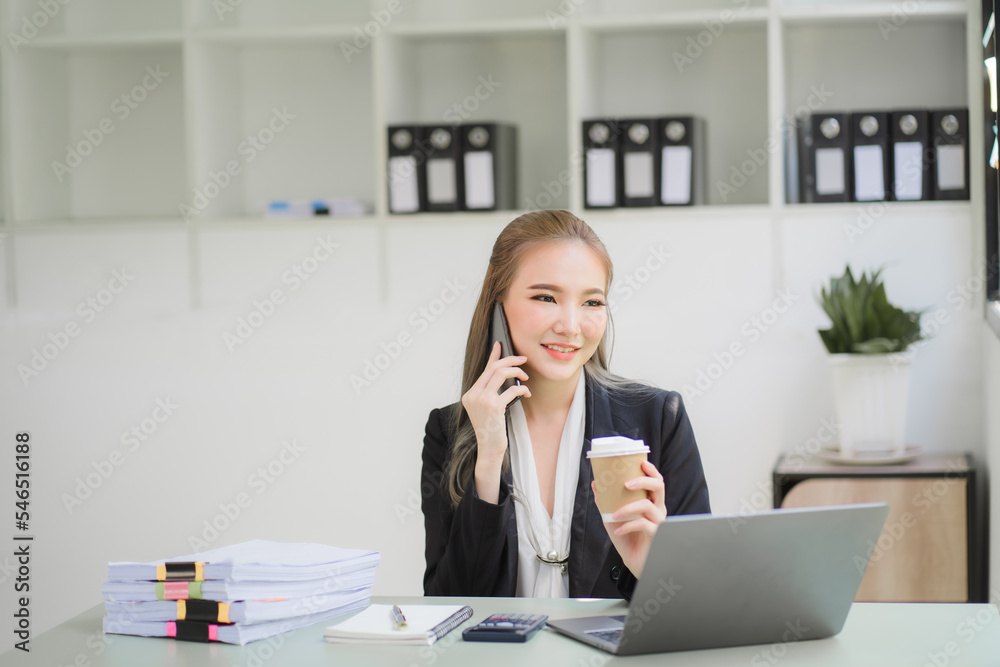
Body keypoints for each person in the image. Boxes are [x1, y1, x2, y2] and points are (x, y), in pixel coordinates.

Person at [421, 209, 710, 600]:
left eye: (592, 303)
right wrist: (488, 460)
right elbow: (450, 603)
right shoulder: (449, 430)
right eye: (546, 297)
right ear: (498, 304)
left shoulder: (658, 419)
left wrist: (647, 568)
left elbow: (700, 605)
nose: (571, 325)